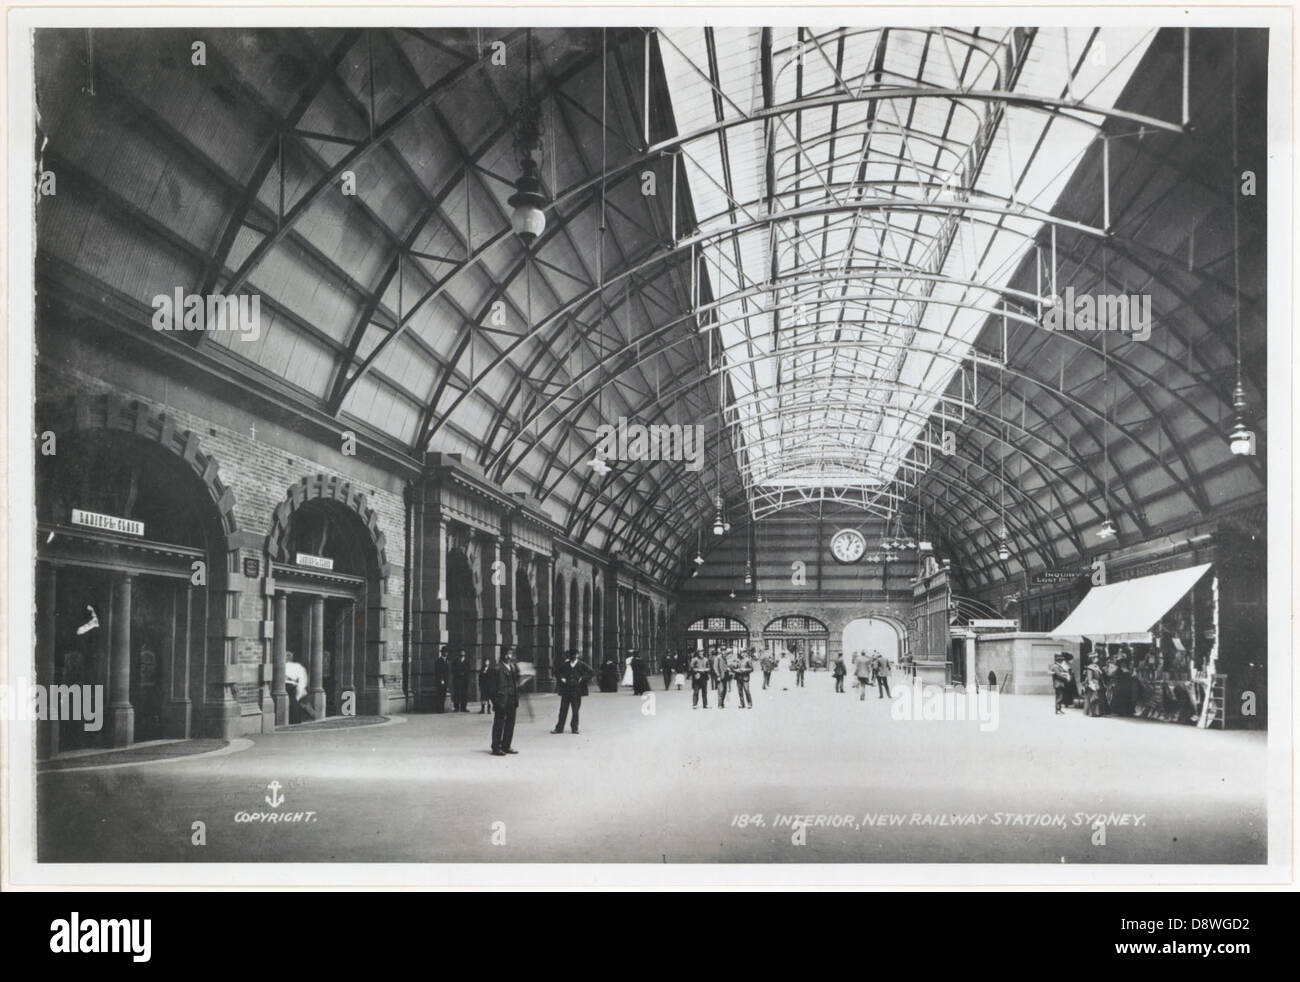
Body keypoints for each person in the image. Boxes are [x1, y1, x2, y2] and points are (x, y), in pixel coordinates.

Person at [552, 648, 592, 734]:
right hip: (566, 691)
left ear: (577, 655)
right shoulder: (565, 665)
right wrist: (562, 678)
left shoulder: (582, 665)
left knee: (575, 710)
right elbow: (557, 672)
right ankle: (559, 728)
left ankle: (574, 728)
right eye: (571, 655)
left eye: (575, 655)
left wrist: (582, 679)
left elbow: (591, 672)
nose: (573, 657)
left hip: (577, 691)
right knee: (563, 710)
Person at [490, 647, 521, 756]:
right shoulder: (497, 668)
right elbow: (492, 687)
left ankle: (506, 745)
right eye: (507, 654)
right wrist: (495, 701)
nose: (509, 656)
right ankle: (496, 747)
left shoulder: (512, 667)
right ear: (503, 655)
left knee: (510, 723)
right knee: (499, 723)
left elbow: (516, 681)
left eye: (511, 654)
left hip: (512, 699)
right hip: (502, 700)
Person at [285, 656, 309, 723]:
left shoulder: (285, 666)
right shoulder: (299, 667)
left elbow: (302, 682)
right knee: (294, 704)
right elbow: (303, 682)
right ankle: (294, 720)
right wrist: (298, 696)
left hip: (290, 687)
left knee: (293, 705)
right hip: (293, 688)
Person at [432, 646, 450, 713]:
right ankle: (439, 709)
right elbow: (438, 672)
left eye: (446, 652)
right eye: (444, 652)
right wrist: (441, 680)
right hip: (440, 681)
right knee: (440, 695)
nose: (445, 653)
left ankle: (441, 709)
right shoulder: (438, 661)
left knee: (443, 695)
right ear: (442, 653)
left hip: (445, 681)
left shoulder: (446, 661)